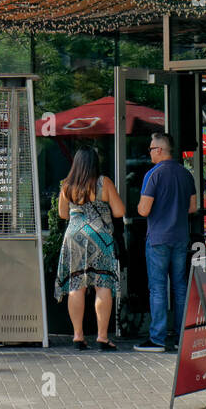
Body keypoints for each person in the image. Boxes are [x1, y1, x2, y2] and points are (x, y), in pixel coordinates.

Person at [55, 147, 125, 351]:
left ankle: (78, 335)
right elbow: (120, 211)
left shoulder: (67, 185)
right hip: (100, 237)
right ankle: (102, 337)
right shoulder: (104, 182)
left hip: (74, 237)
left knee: (76, 285)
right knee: (103, 284)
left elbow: (62, 214)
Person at [134, 132, 197, 353]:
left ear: (160, 150)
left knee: (158, 288)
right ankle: (182, 337)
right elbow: (192, 207)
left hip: (158, 239)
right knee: (180, 287)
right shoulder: (186, 174)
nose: (149, 152)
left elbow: (144, 209)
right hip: (180, 238)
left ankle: (158, 339)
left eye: (151, 149)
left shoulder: (153, 175)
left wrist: (141, 206)